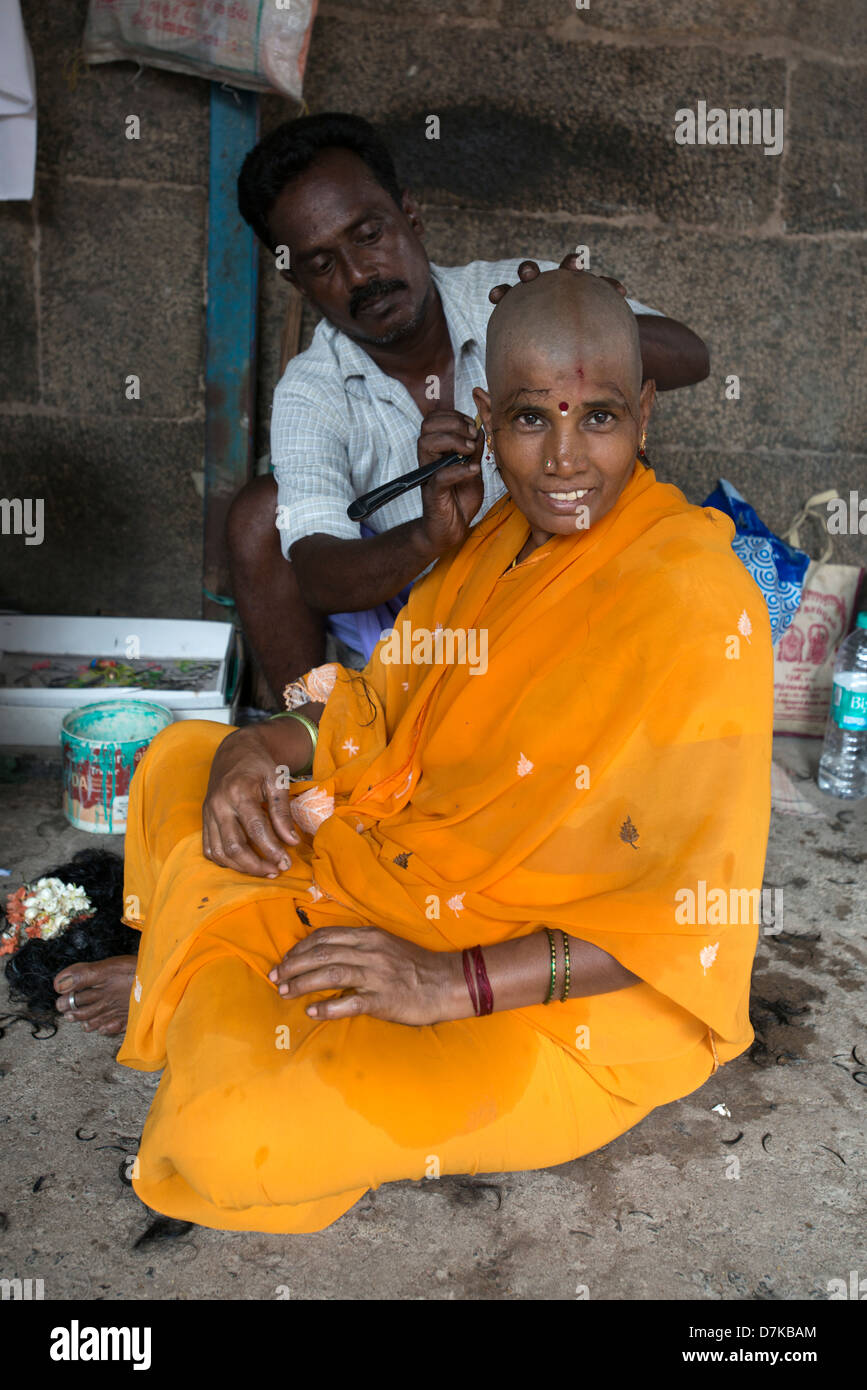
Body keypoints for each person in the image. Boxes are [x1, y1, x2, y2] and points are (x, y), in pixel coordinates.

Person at [55, 268, 771, 1235]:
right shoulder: (493, 533)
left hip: (543, 997)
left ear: (644, 413)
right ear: (484, 414)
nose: (563, 461)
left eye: (597, 418)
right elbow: (373, 708)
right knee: (186, 758)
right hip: (385, 869)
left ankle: (190, 973)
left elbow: (692, 918)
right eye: (529, 421)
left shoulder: (693, 597)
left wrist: (446, 983)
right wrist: (262, 744)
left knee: (229, 1137)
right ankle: (193, 972)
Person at [228, 112, 711, 699]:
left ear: (410, 214)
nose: (361, 276)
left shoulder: (514, 297)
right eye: (322, 264)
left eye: (369, 234)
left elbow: (692, 356)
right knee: (260, 512)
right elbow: (316, 574)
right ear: (297, 283)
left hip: (547, 593)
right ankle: (311, 729)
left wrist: (583, 319)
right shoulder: (311, 390)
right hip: (410, 627)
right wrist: (428, 537)